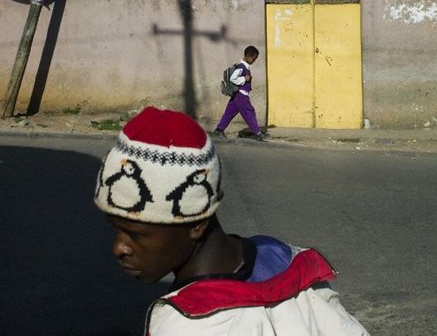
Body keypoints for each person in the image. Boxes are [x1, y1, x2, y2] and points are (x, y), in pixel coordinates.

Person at [94, 107, 369, 335]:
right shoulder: (289, 264)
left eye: (135, 234)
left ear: (196, 223)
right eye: (114, 230)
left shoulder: (186, 326)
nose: (118, 248)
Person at [213, 45, 265, 141]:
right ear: (248, 56)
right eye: (254, 59)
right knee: (249, 112)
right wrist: (244, 78)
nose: (254, 61)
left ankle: (219, 130)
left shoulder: (244, 66)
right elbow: (233, 78)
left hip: (236, 95)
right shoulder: (241, 67)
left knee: (229, 113)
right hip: (241, 95)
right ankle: (258, 133)